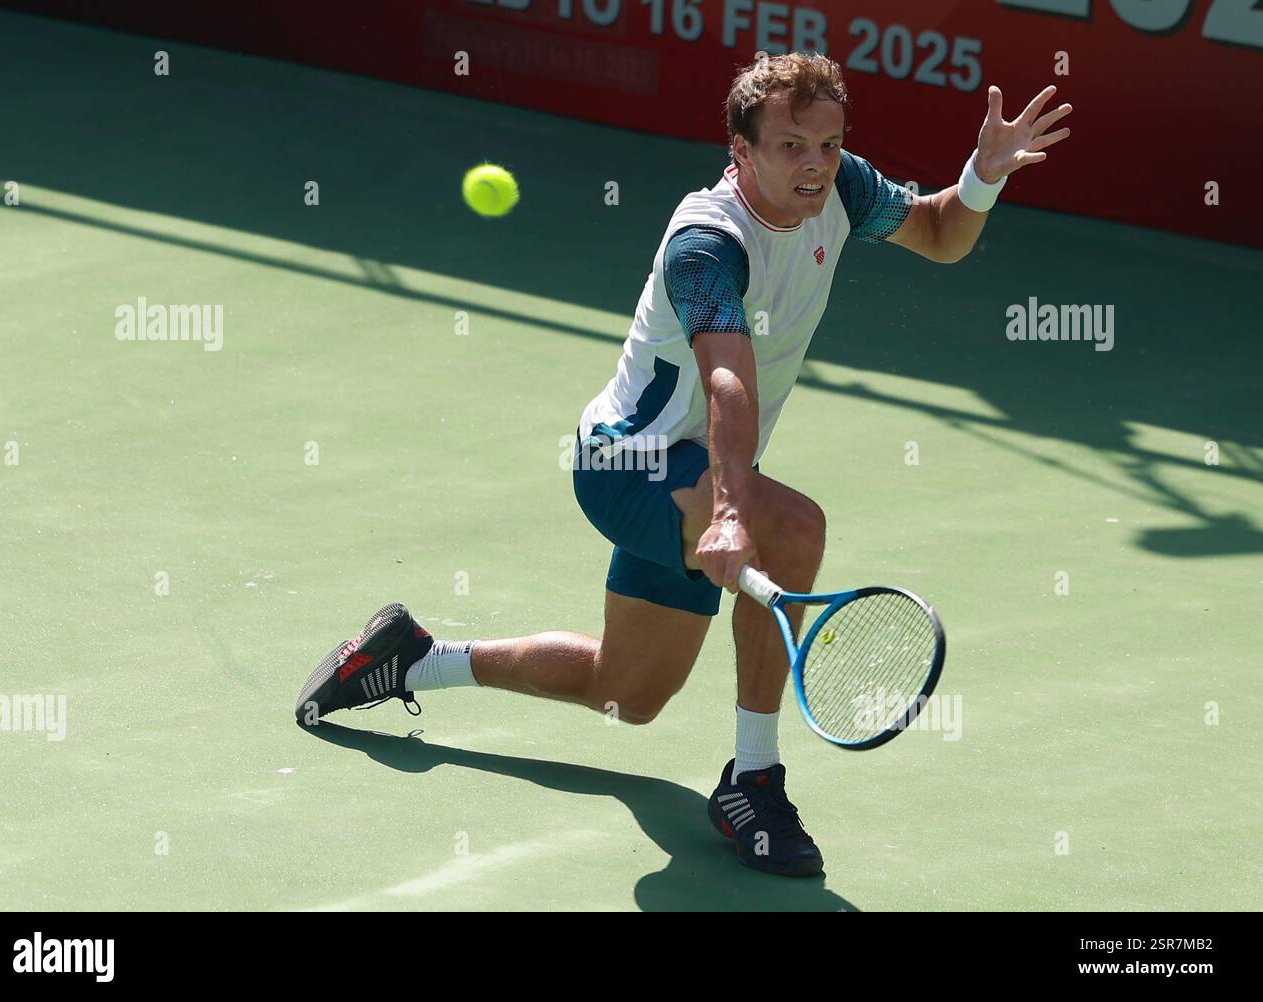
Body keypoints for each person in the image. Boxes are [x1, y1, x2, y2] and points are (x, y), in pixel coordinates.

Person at [295, 52, 1071, 877]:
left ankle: (412, 655)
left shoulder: (843, 187)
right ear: (741, 151)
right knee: (793, 527)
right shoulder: (707, 242)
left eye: (830, 143)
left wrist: (982, 175)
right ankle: (755, 781)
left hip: (700, 470)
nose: (814, 163)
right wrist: (733, 512)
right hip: (626, 463)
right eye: (791, 146)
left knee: (626, 693)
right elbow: (727, 378)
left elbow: (943, 233)